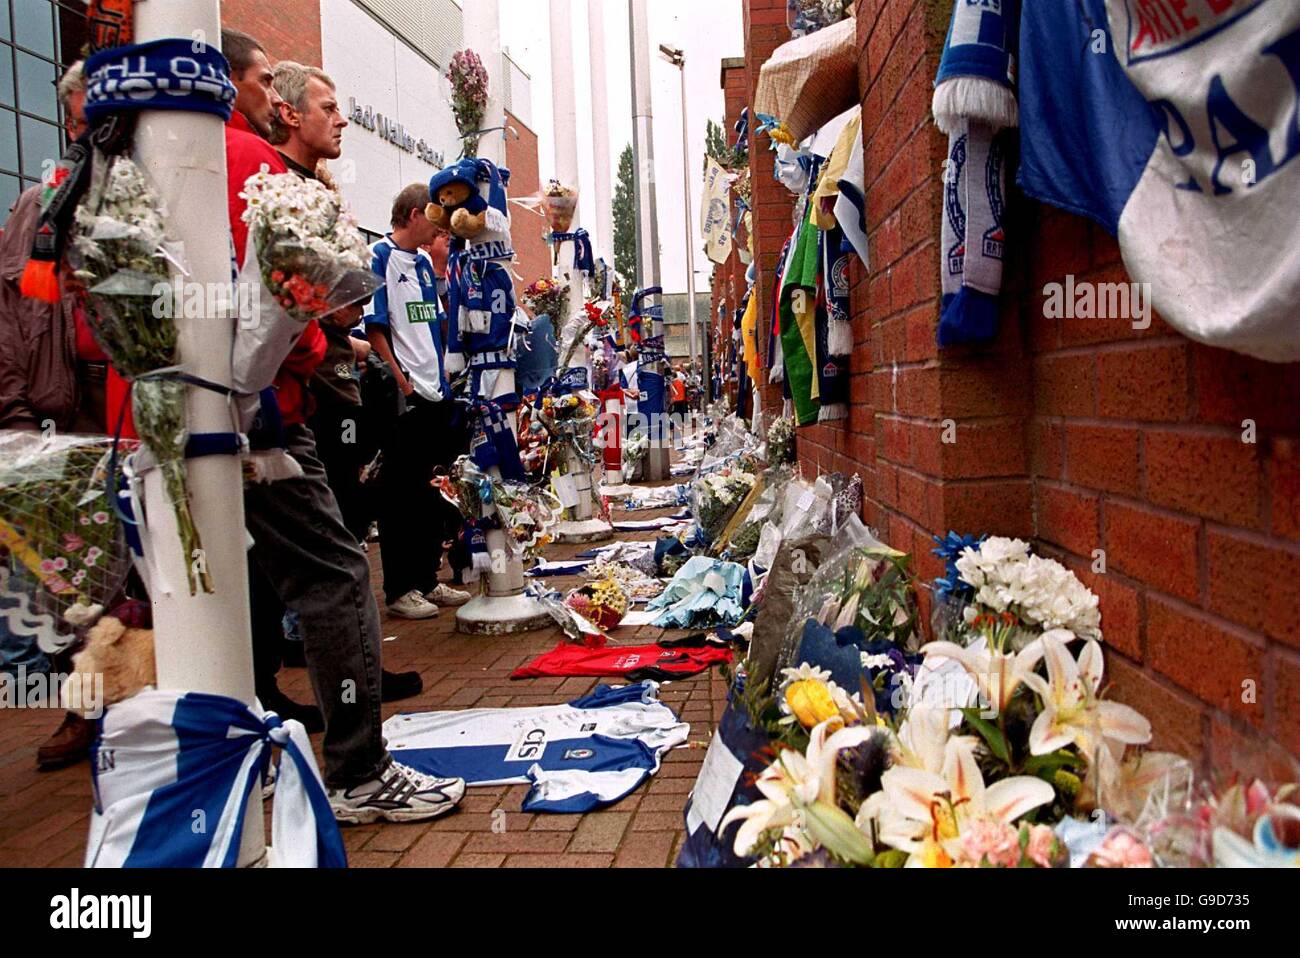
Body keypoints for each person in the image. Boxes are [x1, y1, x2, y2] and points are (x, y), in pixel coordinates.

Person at [231, 48, 461, 822]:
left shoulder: (251, 168)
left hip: (255, 403)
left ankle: (255, 743)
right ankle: (358, 769)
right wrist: (340, 352)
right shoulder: (245, 163)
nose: (344, 118)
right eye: (324, 104)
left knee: (249, 581)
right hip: (262, 408)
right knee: (334, 570)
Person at [0, 62, 100, 769]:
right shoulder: (41, 206)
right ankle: (81, 708)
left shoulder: (143, 195)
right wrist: (14, 414)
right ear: (71, 120)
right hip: (61, 414)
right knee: (68, 575)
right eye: (91, 112)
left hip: (126, 402)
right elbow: (14, 316)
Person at [364, 184, 472, 619]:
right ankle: (400, 588)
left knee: (434, 491)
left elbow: (436, 324)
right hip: (406, 396)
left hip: (436, 391)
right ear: (412, 215)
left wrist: (442, 373)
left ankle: (428, 579)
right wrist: (401, 381)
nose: (440, 225)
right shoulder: (379, 257)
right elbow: (376, 326)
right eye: (433, 215)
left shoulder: (425, 264)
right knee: (400, 494)